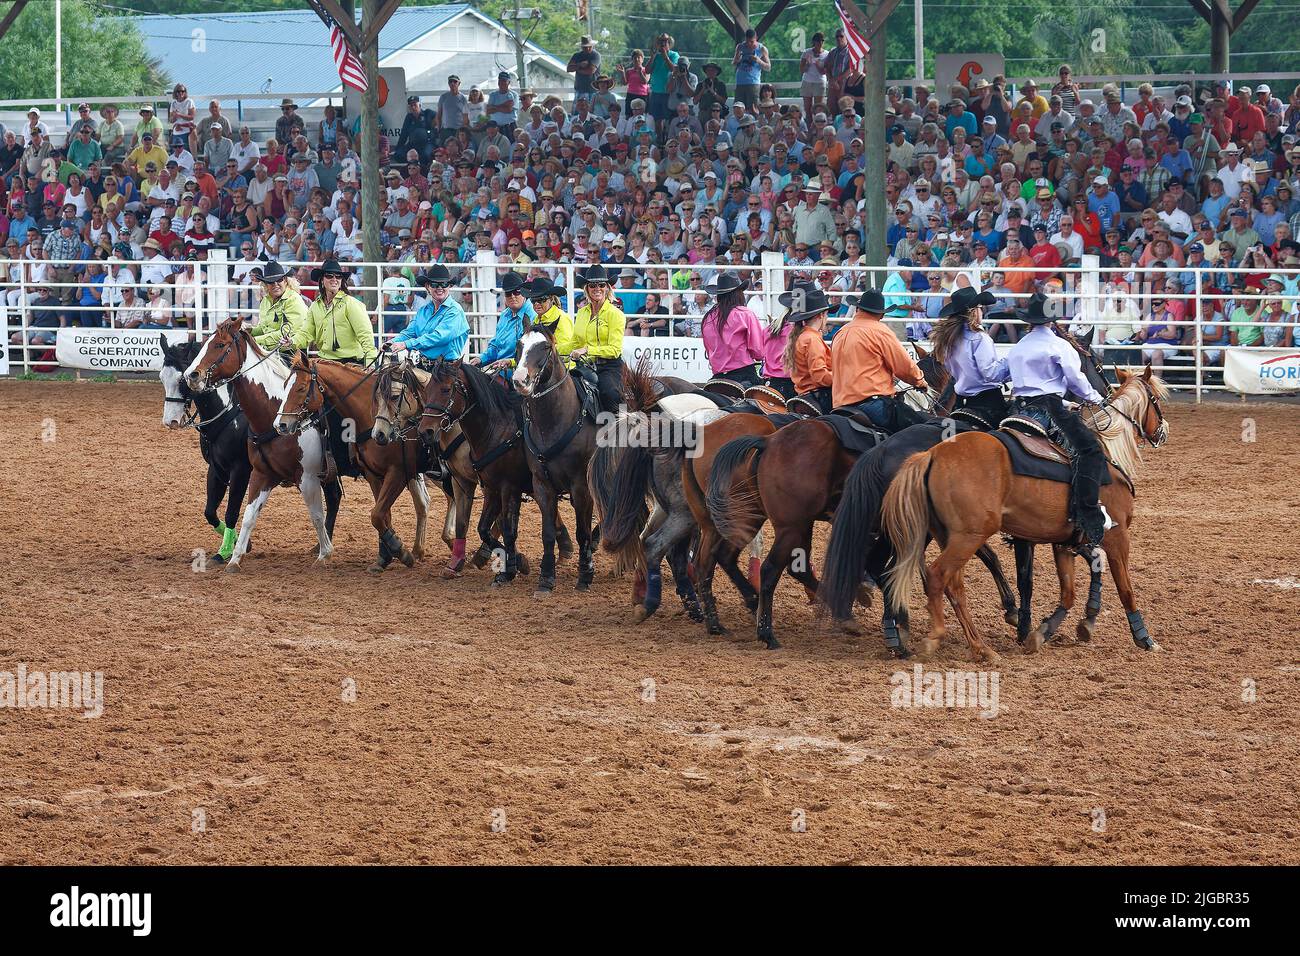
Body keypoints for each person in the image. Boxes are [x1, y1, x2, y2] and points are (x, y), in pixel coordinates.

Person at [1003, 292, 1111, 547]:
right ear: (1051, 321)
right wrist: (1097, 399)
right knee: (1090, 451)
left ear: (1029, 319)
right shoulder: (1059, 345)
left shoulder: (1018, 347)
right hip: (1049, 410)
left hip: (1017, 410)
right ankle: (1088, 513)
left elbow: (1027, 385)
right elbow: (1076, 381)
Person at [830, 288, 930, 432]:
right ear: (881, 314)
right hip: (873, 404)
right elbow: (904, 367)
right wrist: (919, 382)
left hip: (841, 406)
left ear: (858, 309)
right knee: (923, 430)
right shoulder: (880, 331)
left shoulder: (840, 333)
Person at [930, 286, 1010, 424]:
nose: (982, 311)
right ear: (974, 312)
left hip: (962, 402)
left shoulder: (949, 338)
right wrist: (1011, 362)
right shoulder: (979, 338)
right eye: (980, 308)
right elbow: (990, 373)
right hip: (989, 402)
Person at [297, 259, 377, 366]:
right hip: (325, 362)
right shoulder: (315, 306)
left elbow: (365, 336)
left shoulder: (351, 303)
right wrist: (290, 342)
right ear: (322, 280)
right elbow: (305, 334)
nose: (334, 279)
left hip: (350, 363)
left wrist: (370, 364)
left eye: (338, 276)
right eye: (329, 276)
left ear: (341, 281)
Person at [570, 264, 627, 414]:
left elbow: (614, 350)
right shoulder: (582, 312)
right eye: (592, 285)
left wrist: (587, 350)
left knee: (610, 393)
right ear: (587, 289)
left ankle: (621, 428)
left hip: (609, 366)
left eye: (601, 285)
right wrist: (553, 348)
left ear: (607, 288)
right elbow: (575, 342)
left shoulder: (615, 314)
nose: (597, 288)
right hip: (585, 366)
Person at [390, 264, 469, 362]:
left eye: (444, 284)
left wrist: (406, 344)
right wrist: (392, 342)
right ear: (428, 287)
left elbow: (438, 337)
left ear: (449, 286)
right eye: (434, 284)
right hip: (423, 363)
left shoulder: (455, 310)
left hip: (447, 368)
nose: (440, 288)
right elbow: (410, 332)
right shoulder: (423, 310)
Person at [700, 271, 766, 386]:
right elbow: (758, 351)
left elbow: (708, 349)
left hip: (718, 377)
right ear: (738, 294)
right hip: (743, 375)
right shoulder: (745, 314)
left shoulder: (708, 318)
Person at [781, 285, 833, 412]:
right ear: (821, 315)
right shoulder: (812, 339)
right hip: (820, 396)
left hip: (806, 395)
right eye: (826, 315)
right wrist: (843, 376)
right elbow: (820, 377)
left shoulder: (801, 336)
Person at [472, 271, 534, 375]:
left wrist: (510, 362)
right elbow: (495, 346)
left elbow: (531, 353)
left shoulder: (533, 315)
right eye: (508, 293)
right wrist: (480, 359)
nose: (513, 296)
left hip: (523, 375)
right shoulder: (505, 315)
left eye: (517, 292)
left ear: (524, 292)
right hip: (500, 373)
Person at [248, 259, 309, 357]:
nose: (276, 285)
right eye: (271, 282)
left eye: (279, 280)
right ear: (266, 284)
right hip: (272, 352)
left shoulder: (293, 299)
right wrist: (249, 331)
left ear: (285, 281)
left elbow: (287, 333)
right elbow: (265, 328)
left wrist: (255, 340)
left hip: (292, 353)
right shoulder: (266, 301)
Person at [525, 276, 574, 362]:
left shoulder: (562, 318)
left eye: (541, 299)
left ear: (551, 298)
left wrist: (543, 351)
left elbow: (568, 348)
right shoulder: (536, 319)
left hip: (562, 369)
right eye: (533, 300)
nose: (536, 304)